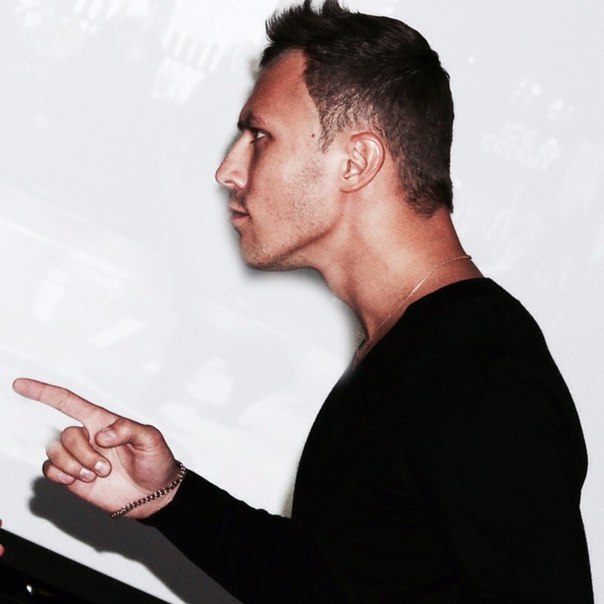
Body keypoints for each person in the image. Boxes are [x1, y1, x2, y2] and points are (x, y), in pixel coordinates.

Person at [12, 1, 593, 602]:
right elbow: (332, 582)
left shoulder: (478, 376)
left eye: (260, 136)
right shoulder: (412, 342)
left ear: (357, 161)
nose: (228, 169)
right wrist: (168, 497)